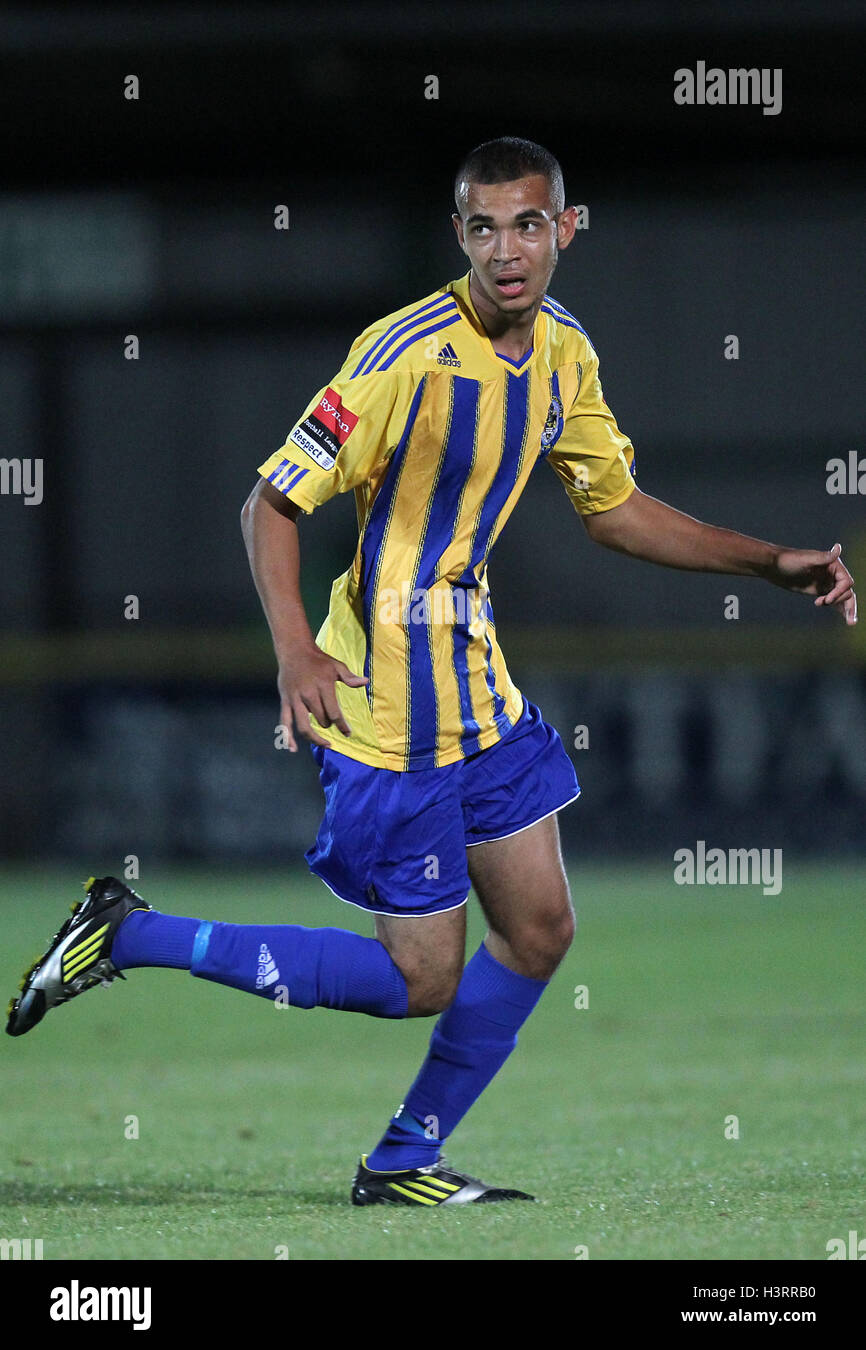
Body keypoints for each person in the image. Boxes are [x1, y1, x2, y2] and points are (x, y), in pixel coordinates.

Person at [7, 137, 856, 1208]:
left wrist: (764, 561)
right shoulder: (400, 354)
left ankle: (404, 1158)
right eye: (485, 227)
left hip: (479, 688)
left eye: (529, 224)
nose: (508, 250)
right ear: (458, 234)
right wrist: (293, 652)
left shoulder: (564, 354)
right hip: (386, 703)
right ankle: (131, 932)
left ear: (565, 229)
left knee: (542, 927)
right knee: (421, 978)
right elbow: (269, 502)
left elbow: (614, 508)